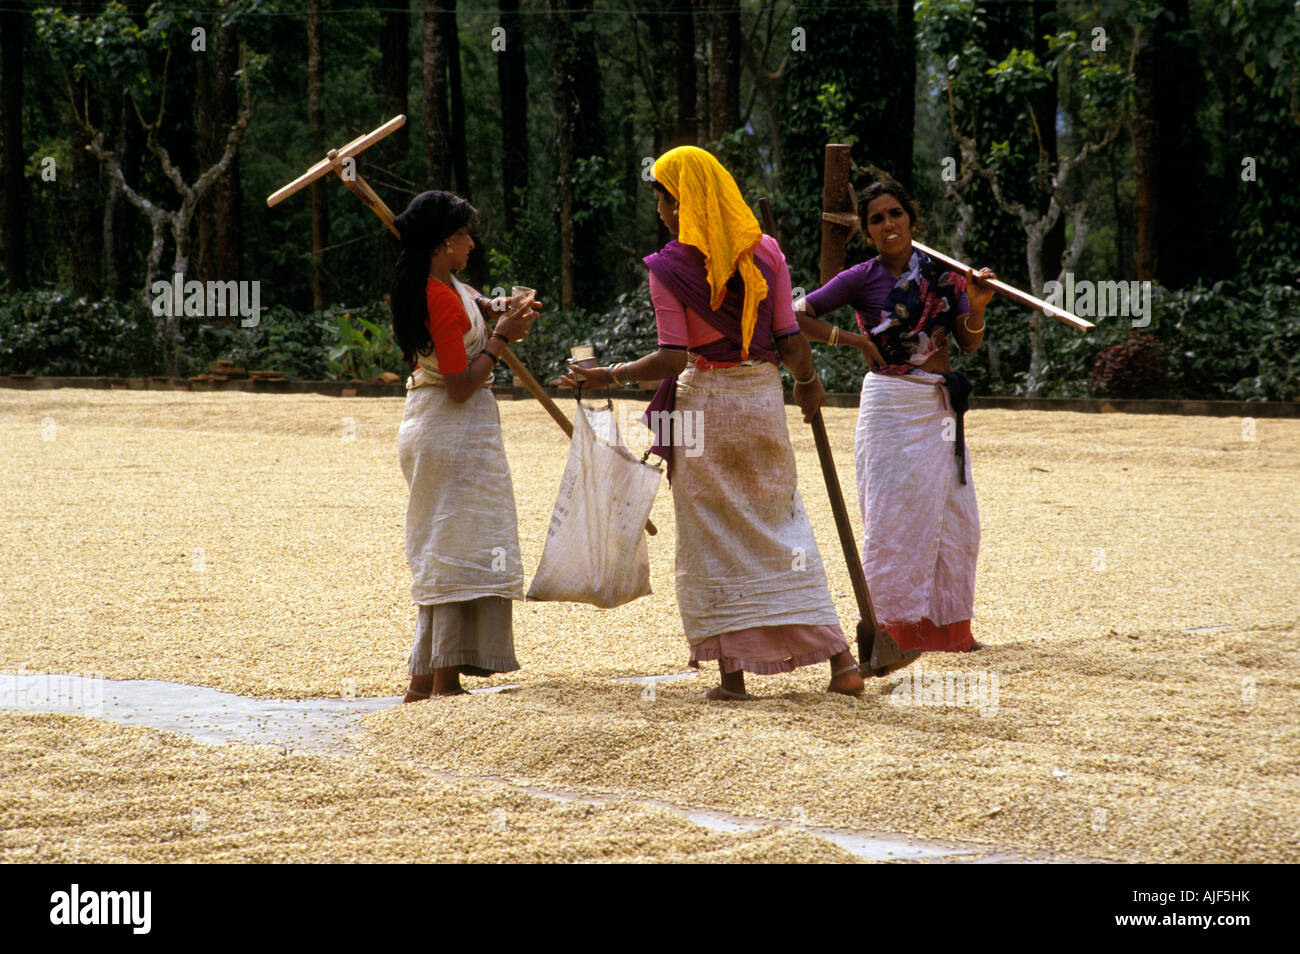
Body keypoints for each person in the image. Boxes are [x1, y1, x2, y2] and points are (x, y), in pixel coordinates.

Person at [561, 146, 864, 700]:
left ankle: (733, 677)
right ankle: (841, 661)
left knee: (711, 536)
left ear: (683, 204)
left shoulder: (668, 269)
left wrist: (610, 373)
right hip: (759, 401)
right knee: (783, 524)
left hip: (702, 409)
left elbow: (672, 358)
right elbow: (791, 339)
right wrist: (807, 383)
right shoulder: (765, 252)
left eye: (662, 197)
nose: (658, 209)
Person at [795, 180, 996, 655]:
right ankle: (892, 632)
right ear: (867, 231)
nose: (888, 225)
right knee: (893, 521)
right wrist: (855, 341)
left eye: (895, 214)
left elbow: (968, 343)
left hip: (939, 407)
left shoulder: (945, 275)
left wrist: (979, 307)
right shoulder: (861, 277)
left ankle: (949, 632)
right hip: (890, 407)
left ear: (911, 218)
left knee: (956, 521)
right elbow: (796, 316)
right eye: (877, 219)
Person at [390, 190, 539, 701]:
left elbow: (474, 302)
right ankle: (435, 680)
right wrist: (499, 339)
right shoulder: (434, 296)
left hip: (446, 432)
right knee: (451, 546)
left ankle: (435, 678)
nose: (472, 243)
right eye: (463, 236)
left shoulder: (442, 284)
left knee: (458, 542)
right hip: (445, 429)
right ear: (442, 243)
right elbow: (458, 384)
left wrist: (500, 311)